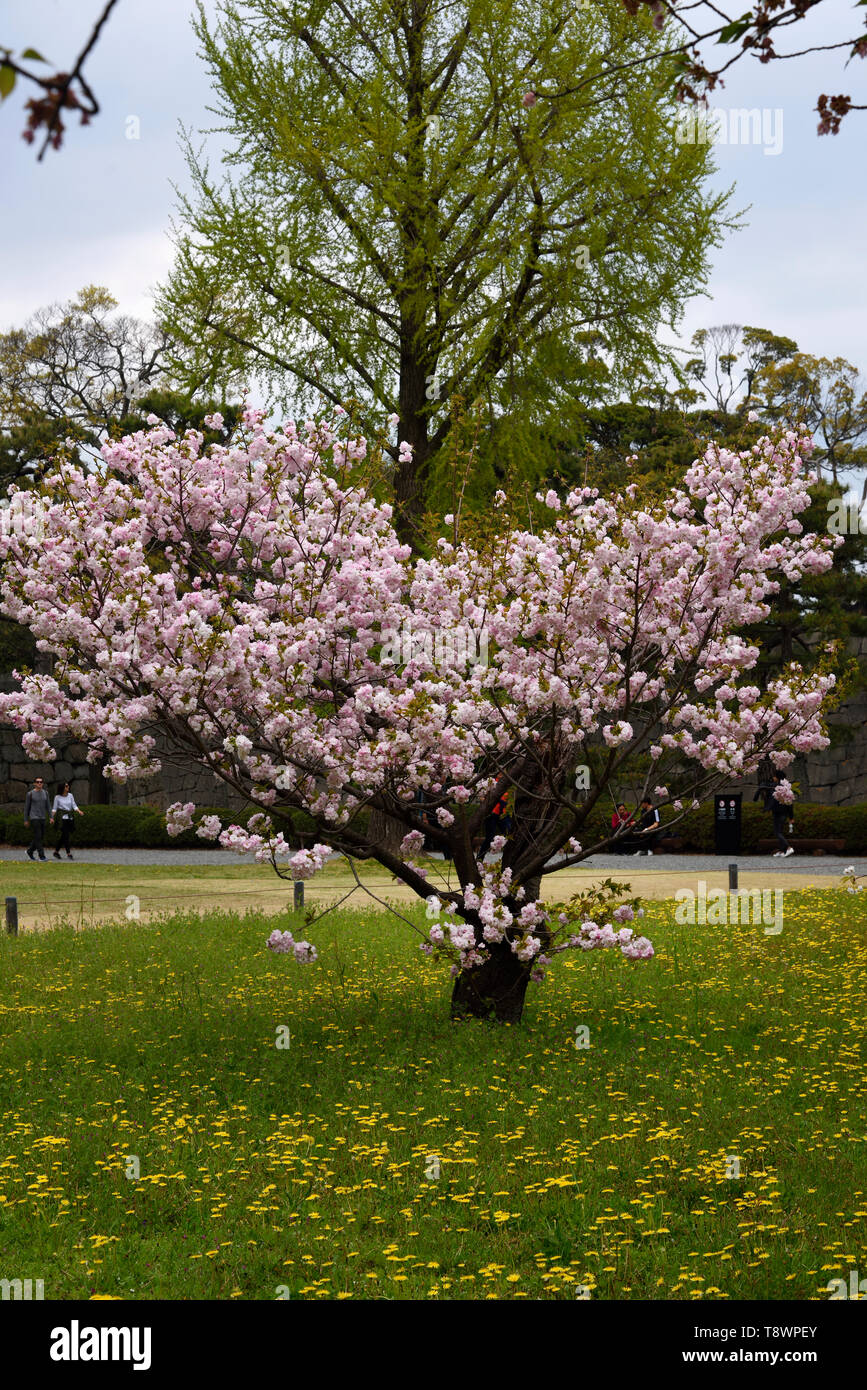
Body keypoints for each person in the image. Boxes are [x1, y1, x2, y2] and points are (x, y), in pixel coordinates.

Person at [761, 773, 795, 857]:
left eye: (774, 776)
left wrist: (766, 809)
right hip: (783, 813)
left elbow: (772, 800)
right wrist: (791, 817)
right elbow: (790, 804)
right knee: (779, 832)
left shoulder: (776, 788)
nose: (773, 778)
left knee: (777, 832)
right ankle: (782, 850)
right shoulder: (787, 789)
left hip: (778, 813)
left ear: (777, 777)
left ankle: (788, 848)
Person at [50, 782, 85, 860]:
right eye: (66, 786)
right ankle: (68, 853)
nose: (68, 787)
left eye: (68, 786)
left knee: (64, 836)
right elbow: (54, 809)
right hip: (62, 818)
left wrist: (78, 811)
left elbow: (74, 805)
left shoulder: (70, 795)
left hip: (70, 817)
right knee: (66, 836)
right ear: (62, 788)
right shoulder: (57, 797)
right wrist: (52, 817)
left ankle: (56, 852)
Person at [24, 775, 51, 860]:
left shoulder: (45, 793)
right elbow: (26, 808)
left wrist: (51, 817)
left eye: (41, 782)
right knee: (38, 836)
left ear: (42, 784)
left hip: (43, 817)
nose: (39, 783)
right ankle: (42, 856)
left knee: (40, 837)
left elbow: (48, 806)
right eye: (38, 782)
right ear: (34, 783)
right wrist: (26, 819)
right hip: (34, 817)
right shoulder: (30, 794)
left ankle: (30, 851)